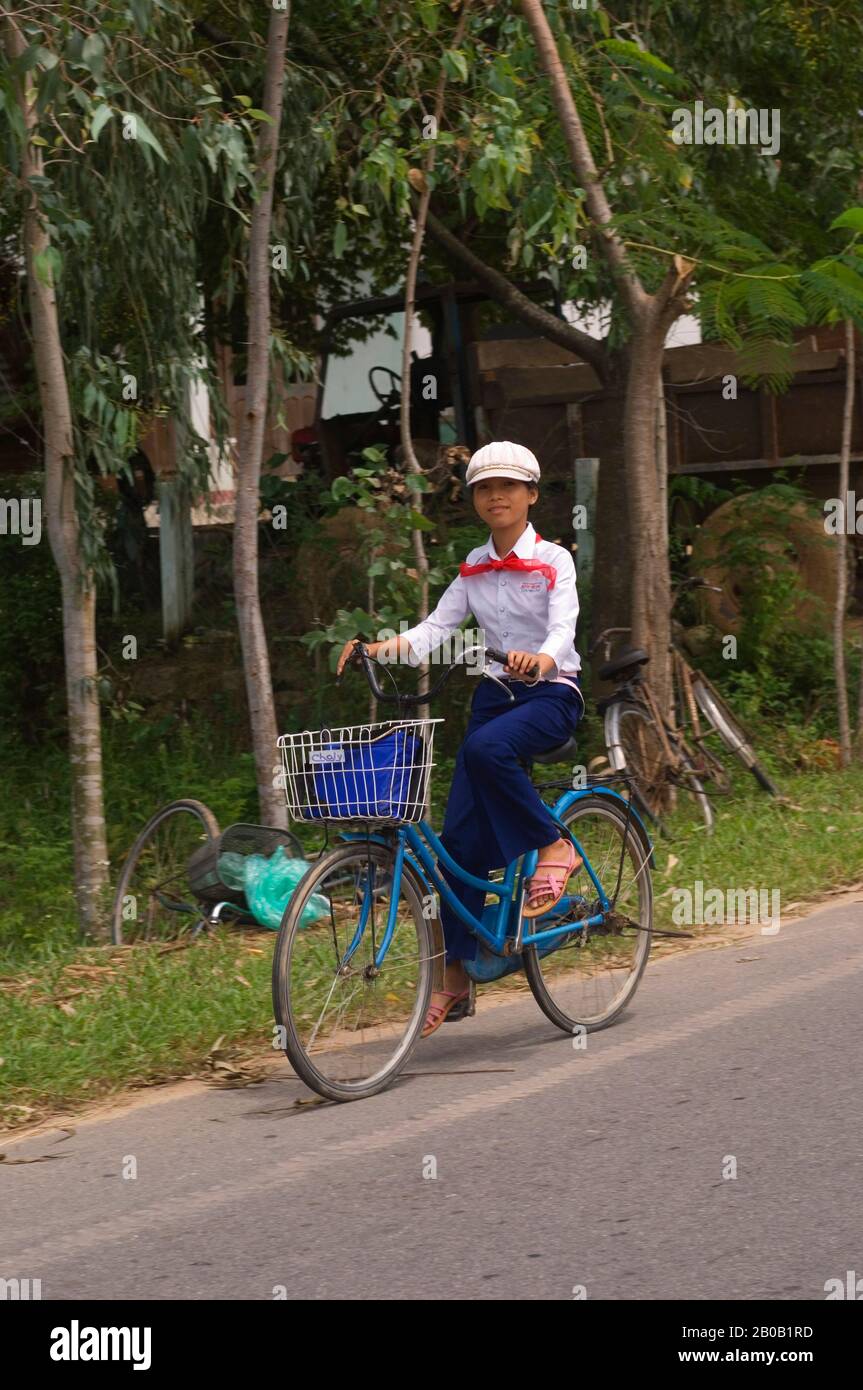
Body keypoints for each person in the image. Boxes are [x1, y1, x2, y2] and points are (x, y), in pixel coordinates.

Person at [336, 440, 583, 1037]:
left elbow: (562, 627)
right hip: (496, 697)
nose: (495, 495)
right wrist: (375, 648)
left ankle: (555, 847)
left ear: (530, 494)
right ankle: (456, 979)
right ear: (474, 500)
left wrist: (540, 661)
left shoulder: (554, 560)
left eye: (507, 486)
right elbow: (432, 631)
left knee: (484, 750)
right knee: (455, 849)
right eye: (483, 487)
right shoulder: (473, 567)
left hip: (552, 695)